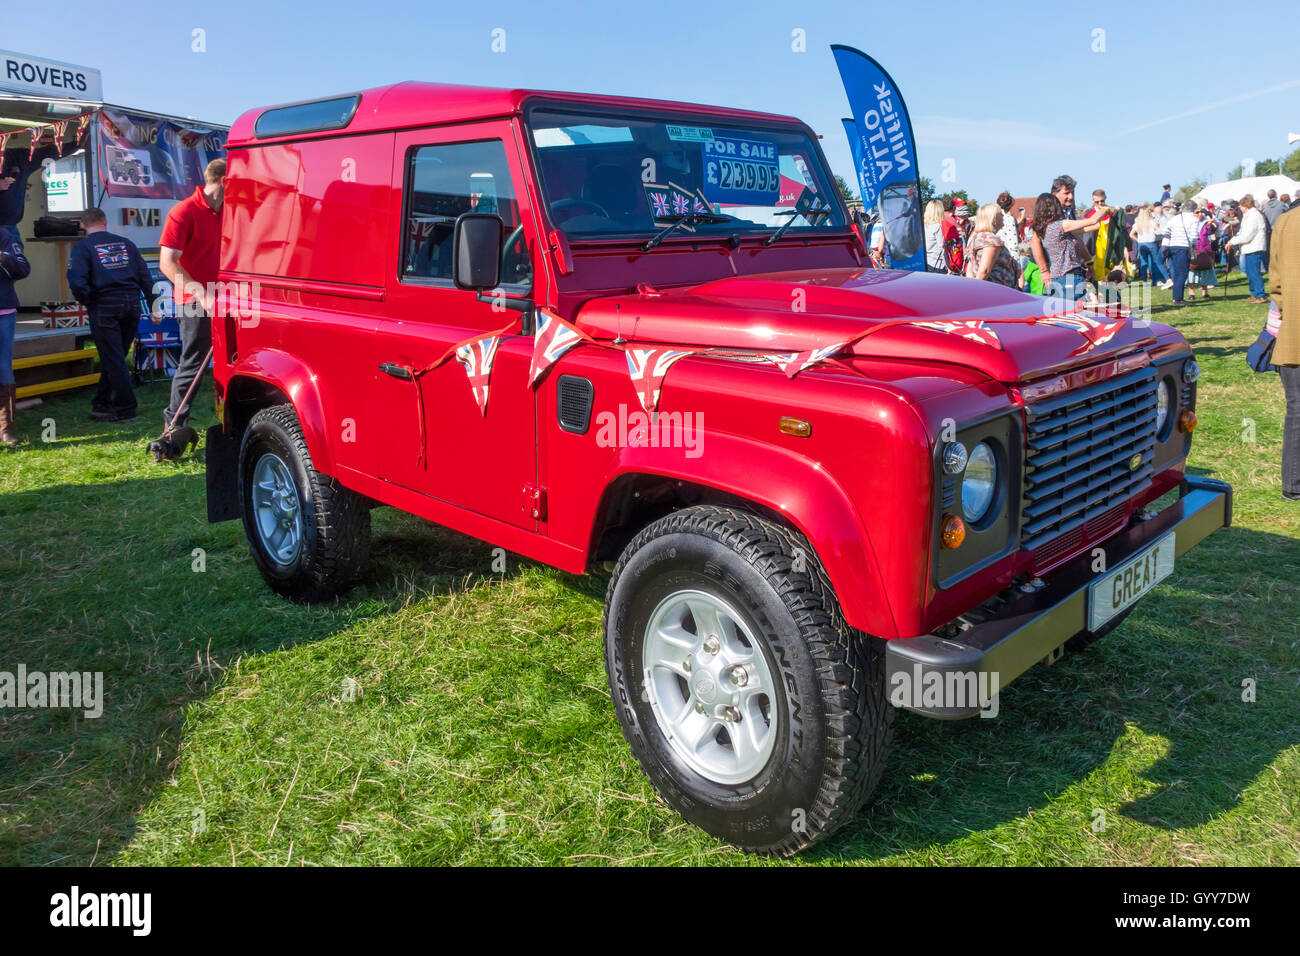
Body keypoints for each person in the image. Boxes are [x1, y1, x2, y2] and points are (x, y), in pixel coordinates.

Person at [157, 158, 224, 456]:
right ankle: (173, 426)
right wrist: (203, 294)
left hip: (229, 297)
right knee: (194, 364)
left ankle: (233, 420)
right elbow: (167, 263)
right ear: (225, 181)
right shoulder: (183, 211)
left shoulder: (231, 213)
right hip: (194, 301)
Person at [67, 207, 155, 421]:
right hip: (132, 303)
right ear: (105, 221)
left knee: (113, 358)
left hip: (104, 304)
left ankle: (126, 409)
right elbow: (145, 276)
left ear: (82, 224)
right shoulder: (127, 244)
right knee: (114, 357)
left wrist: (89, 300)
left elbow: (76, 281)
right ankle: (101, 403)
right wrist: (153, 305)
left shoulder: (83, 247)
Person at [1268, 206, 1300, 500]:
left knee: (1297, 409)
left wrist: (1288, 308)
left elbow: (1275, 282)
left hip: (1294, 328)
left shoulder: (1286, 221)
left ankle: (1293, 484)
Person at [1029, 192, 1105, 305]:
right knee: (1079, 314)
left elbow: (1087, 231)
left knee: (1063, 315)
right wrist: (1107, 209)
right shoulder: (1061, 225)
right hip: (1070, 277)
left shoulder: (1042, 229)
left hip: (1055, 279)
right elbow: (1093, 221)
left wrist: (1044, 271)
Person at [0, 229, 31, 446]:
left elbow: (22, 268)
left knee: (3, 367)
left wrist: (2, 256)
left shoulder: (3, 235)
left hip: (2, 311)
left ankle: (6, 427)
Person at [964, 203, 1020, 288]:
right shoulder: (991, 240)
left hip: (986, 289)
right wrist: (975, 290)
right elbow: (984, 271)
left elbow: (970, 269)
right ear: (994, 218)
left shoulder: (976, 237)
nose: (1003, 217)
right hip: (997, 291)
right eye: (1001, 215)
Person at [1228, 194, 1268, 303]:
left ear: (1245, 206)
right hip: (1249, 248)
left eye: (1240, 206)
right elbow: (1242, 232)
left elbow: (1248, 235)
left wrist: (1233, 241)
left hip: (1254, 248)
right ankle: (1254, 294)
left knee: (1254, 273)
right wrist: (1232, 240)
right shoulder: (1248, 216)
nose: (1239, 208)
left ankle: (1260, 295)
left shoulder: (1254, 216)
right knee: (1250, 273)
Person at [1163, 198, 1201, 306]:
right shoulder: (1194, 220)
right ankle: (1178, 298)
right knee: (1182, 274)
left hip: (1172, 246)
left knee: (1176, 273)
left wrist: (1165, 246)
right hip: (1183, 247)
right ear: (1193, 209)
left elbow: (1166, 231)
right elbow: (1193, 237)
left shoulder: (1175, 218)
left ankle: (1176, 297)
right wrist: (1193, 248)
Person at [1186, 203, 1218, 298]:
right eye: (1197, 212)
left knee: (1205, 270)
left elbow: (1211, 231)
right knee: (1192, 270)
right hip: (1193, 248)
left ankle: (1205, 292)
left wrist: (1211, 224)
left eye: (1201, 212)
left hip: (1205, 249)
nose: (1200, 214)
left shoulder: (1205, 222)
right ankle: (1191, 292)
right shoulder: (1189, 223)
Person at [1130, 204, 1168, 283]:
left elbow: (1131, 234)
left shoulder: (1137, 223)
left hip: (1141, 244)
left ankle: (1144, 281)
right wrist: (1154, 232)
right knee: (1154, 262)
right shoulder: (1152, 222)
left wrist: (1137, 240)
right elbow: (1160, 231)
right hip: (1151, 243)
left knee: (1143, 263)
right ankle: (1155, 280)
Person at [940, 197, 965, 274]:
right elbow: (962, 236)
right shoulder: (952, 221)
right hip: (953, 260)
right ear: (954, 208)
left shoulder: (939, 219)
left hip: (942, 260)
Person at [995, 191, 1021, 262]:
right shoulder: (1009, 219)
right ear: (1010, 206)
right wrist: (1018, 264)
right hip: (1007, 257)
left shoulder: (993, 217)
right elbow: (1013, 243)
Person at [923, 199, 947, 272]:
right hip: (938, 265)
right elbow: (941, 248)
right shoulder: (938, 226)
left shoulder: (924, 226)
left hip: (927, 262)